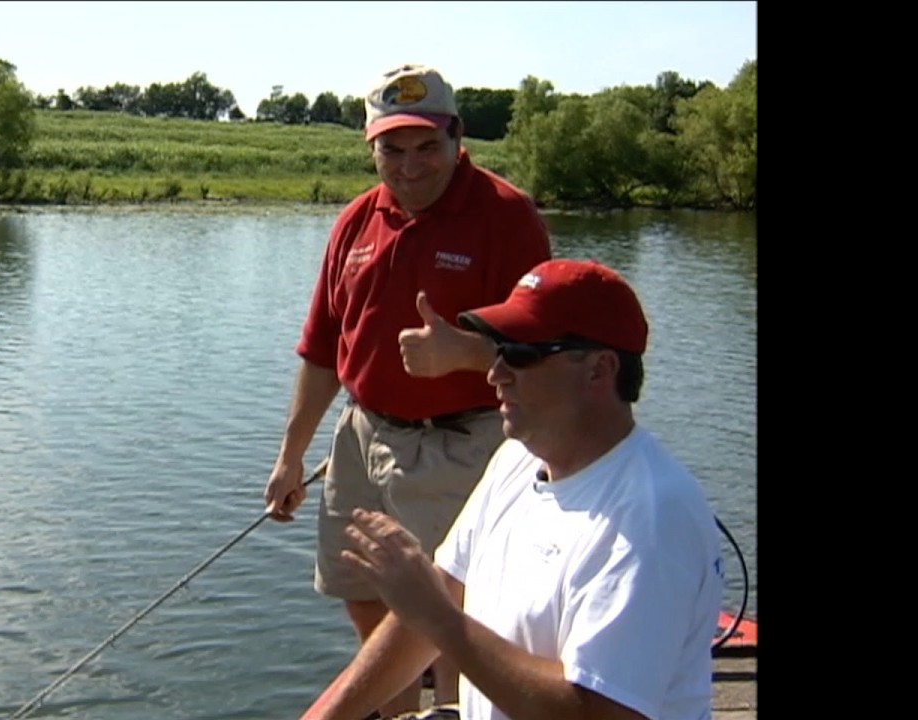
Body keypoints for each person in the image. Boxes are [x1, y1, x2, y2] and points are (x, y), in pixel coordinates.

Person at [297, 258, 726, 720]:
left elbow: (601, 713)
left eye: (521, 354)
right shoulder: (515, 461)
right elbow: (434, 606)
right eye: (498, 350)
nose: (495, 372)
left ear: (600, 370)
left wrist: (441, 621)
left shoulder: (653, 519)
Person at [263, 63, 551, 717]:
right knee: (361, 588)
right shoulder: (356, 221)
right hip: (361, 437)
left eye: (426, 146)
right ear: (371, 147)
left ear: (457, 138)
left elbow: (553, 353)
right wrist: (290, 457)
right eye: (392, 149)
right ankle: (398, 711)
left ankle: (450, 709)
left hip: (463, 443)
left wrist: (465, 353)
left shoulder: (506, 217)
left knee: (447, 605)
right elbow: (321, 349)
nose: (410, 166)